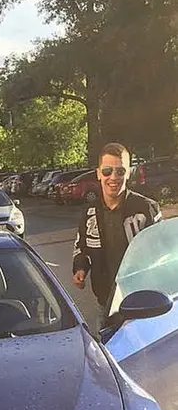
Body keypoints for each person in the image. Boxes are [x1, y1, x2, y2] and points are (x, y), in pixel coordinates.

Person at [72, 142, 162, 331]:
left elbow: (162, 251)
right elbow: (81, 246)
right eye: (107, 171)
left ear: (129, 173)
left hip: (142, 304)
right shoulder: (89, 212)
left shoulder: (146, 208)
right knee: (108, 348)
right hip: (105, 304)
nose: (113, 177)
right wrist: (80, 268)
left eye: (120, 171)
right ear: (98, 173)